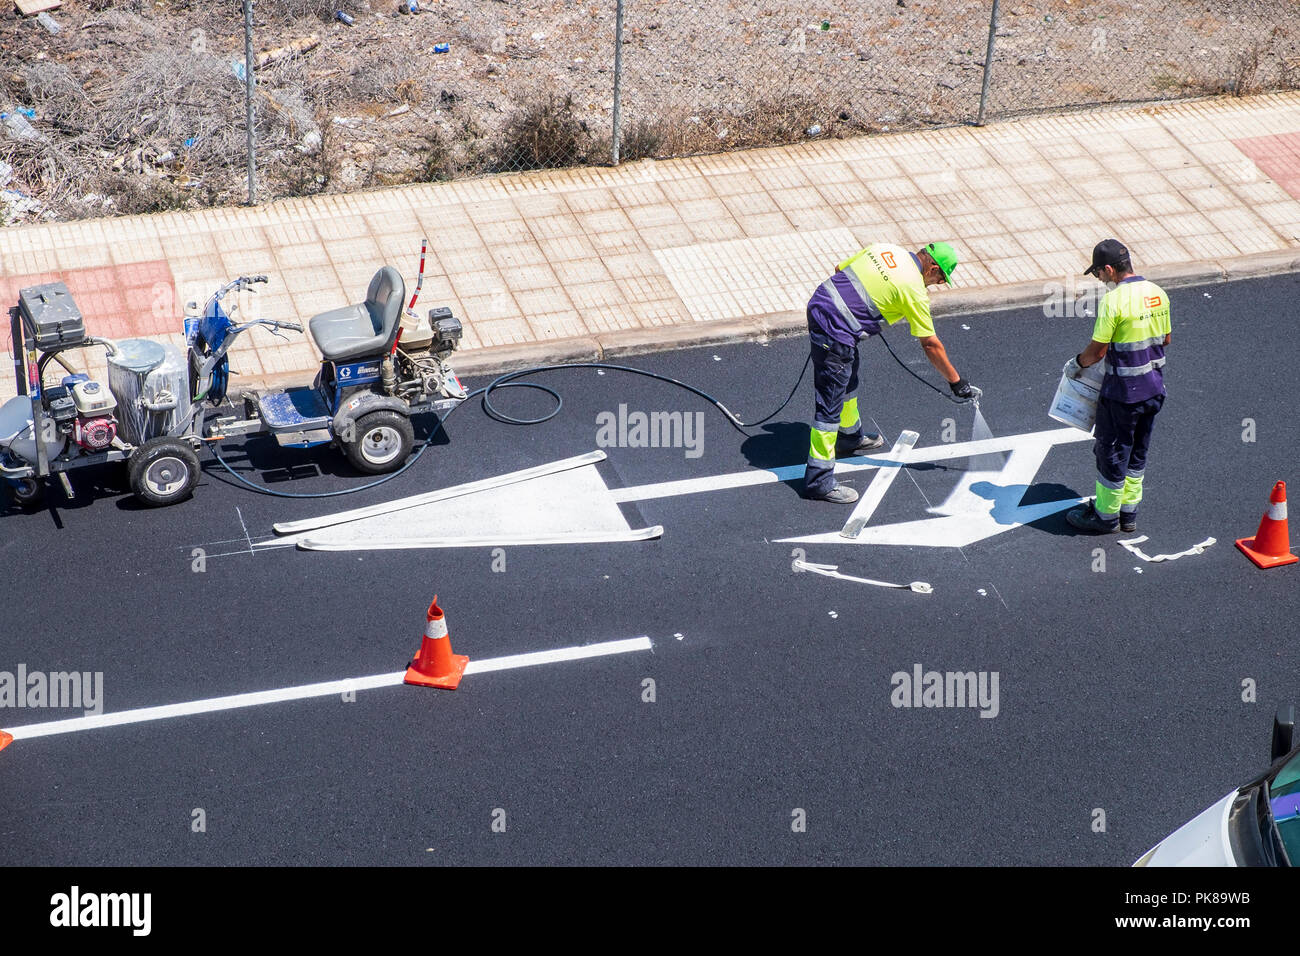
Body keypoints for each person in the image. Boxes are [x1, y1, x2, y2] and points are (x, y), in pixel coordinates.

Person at [803, 241, 980, 503]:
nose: (938, 283)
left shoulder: (886, 249)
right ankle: (818, 480)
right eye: (941, 278)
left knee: (848, 379)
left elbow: (840, 268)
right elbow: (930, 344)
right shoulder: (914, 290)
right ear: (932, 267)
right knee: (829, 408)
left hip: (820, 306)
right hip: (835, 333)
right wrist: (956, 382)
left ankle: (850, 437)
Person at [1065, 238, 1171, 533]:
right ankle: (1129, 514)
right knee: (1138, 451)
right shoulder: (1157, 293)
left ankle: (1106, 517)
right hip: (1154, 389)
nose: (1100, 280)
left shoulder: (1114, 300)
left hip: (1123, 394)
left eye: (1098, 273)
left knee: (1111, 451)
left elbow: (1097, 351)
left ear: (1109, 269)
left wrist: (1077, 365)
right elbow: (1166, 339)